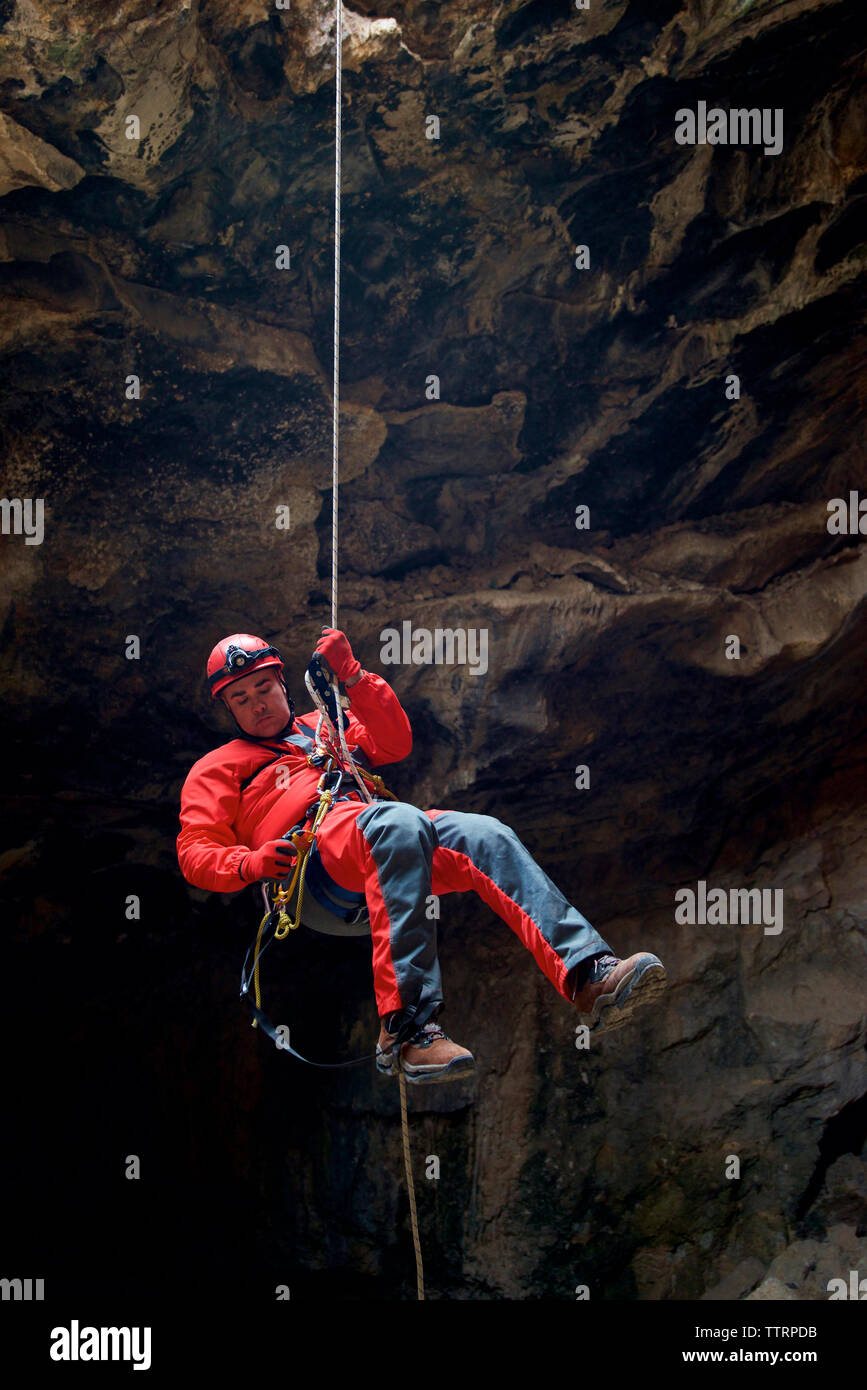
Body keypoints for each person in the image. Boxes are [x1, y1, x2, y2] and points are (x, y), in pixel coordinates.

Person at [176, 629, 667, 1083]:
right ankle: (408, 1031)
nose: (256, 704)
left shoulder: (325, 724)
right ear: (227, 708)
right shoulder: (217, 768)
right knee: (399, 821)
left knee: (485, 835)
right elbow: (195, 851)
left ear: (282, 681)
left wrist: (353, 677)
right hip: (316, 875)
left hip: (384, 848)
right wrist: (251, 863)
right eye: (240, 698)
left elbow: (393, 741)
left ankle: (586, 973)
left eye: (262, 688)